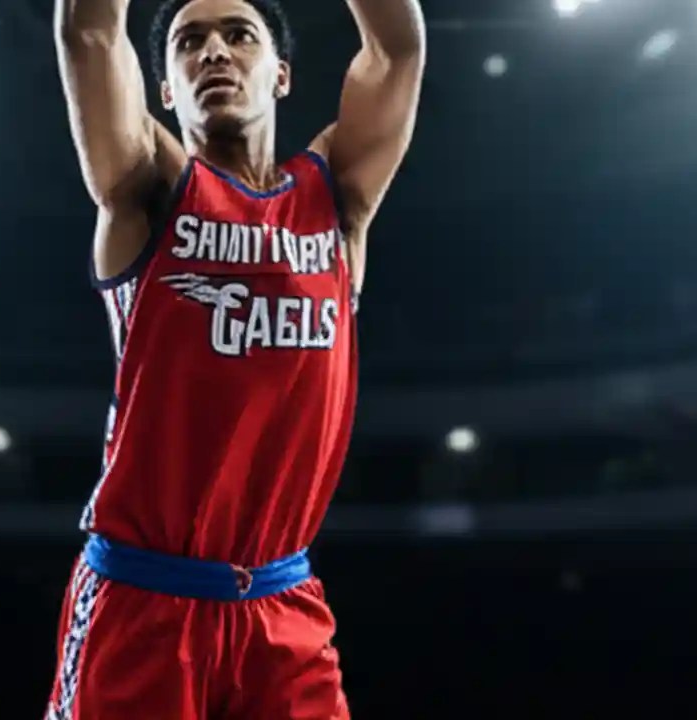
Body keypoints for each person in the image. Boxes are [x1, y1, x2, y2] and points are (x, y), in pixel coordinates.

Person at [45, 0, 424, 717]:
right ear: (164, 90)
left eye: (239, 36)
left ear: (280, 75)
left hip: (283, 608)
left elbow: (396, 50)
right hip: (143, 603)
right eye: (189, 43)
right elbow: (87, 30)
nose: (214, 52)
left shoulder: (336, 200)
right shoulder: (148, 188)